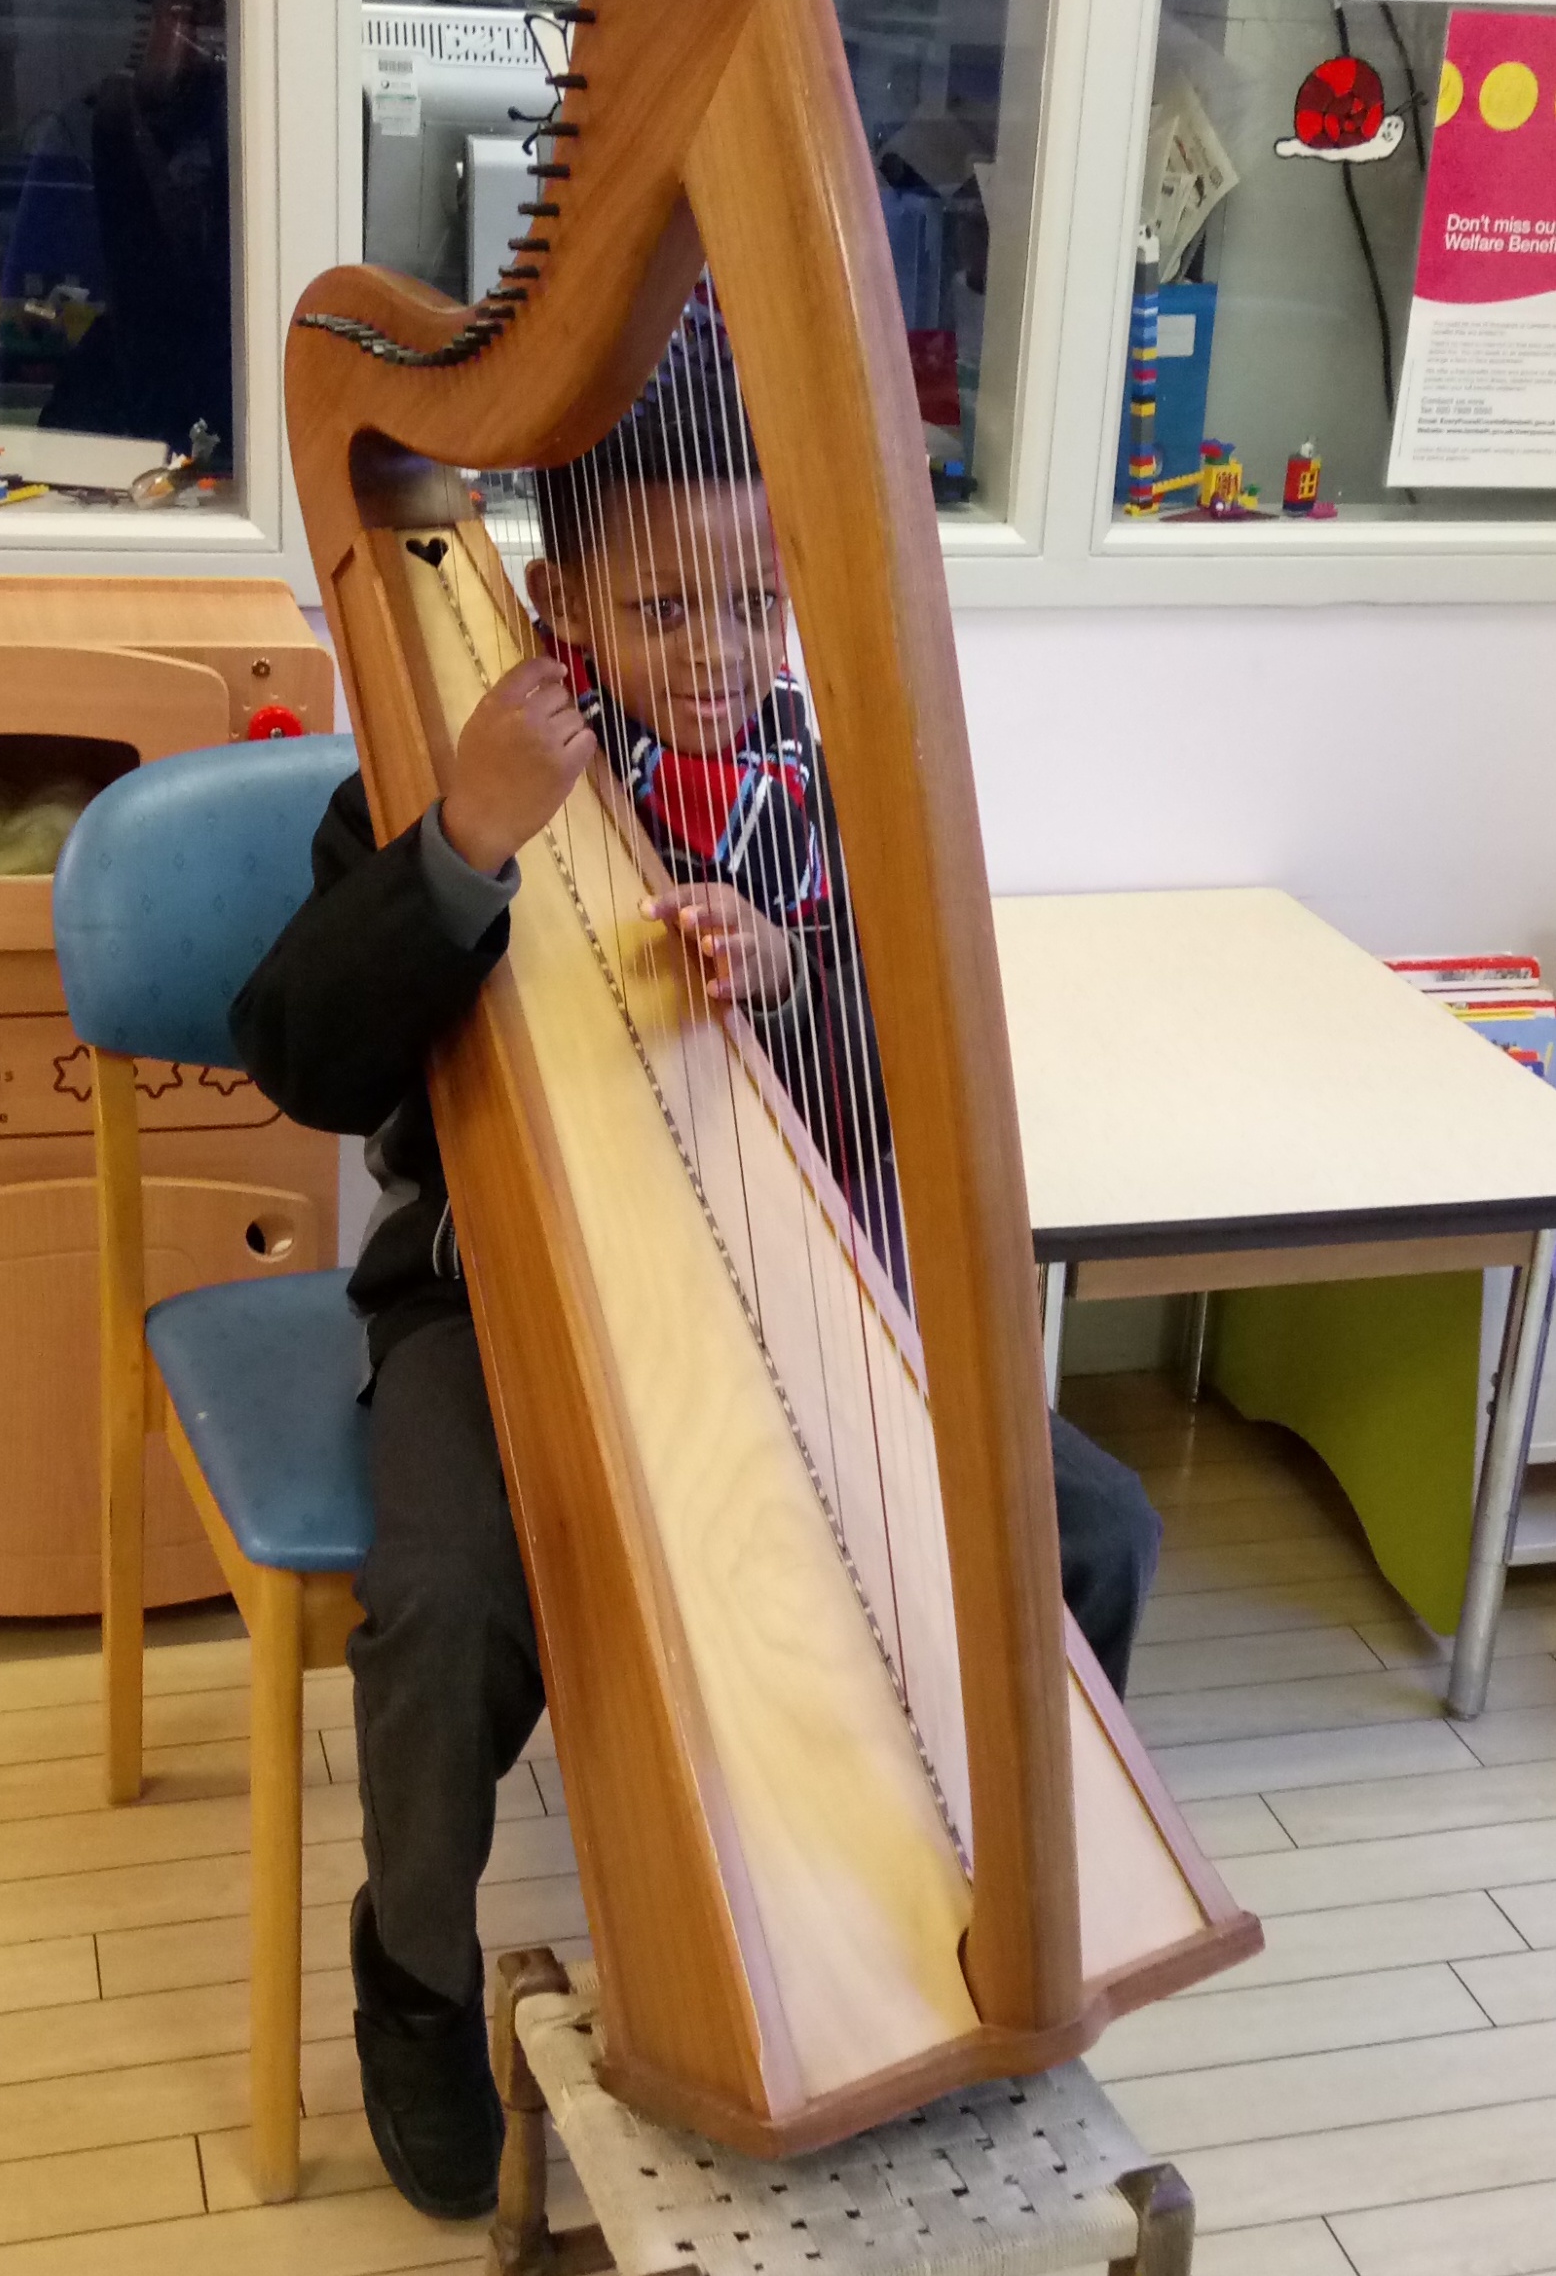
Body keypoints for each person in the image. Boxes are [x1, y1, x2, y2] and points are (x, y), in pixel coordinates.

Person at [230, 314, 1160, 2226]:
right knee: (456, 1603)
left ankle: (970, 1896)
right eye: (668, 608)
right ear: (560, 597)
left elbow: (927, 1080)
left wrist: (797, 977)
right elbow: (303, 1055)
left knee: (1090, 1530)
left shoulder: (819, 793)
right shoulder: (436, 758)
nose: (725, 652)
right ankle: (410, 1973)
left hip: (789, 1275)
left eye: (756, 601)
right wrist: (471, 846)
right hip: (487, 1295)